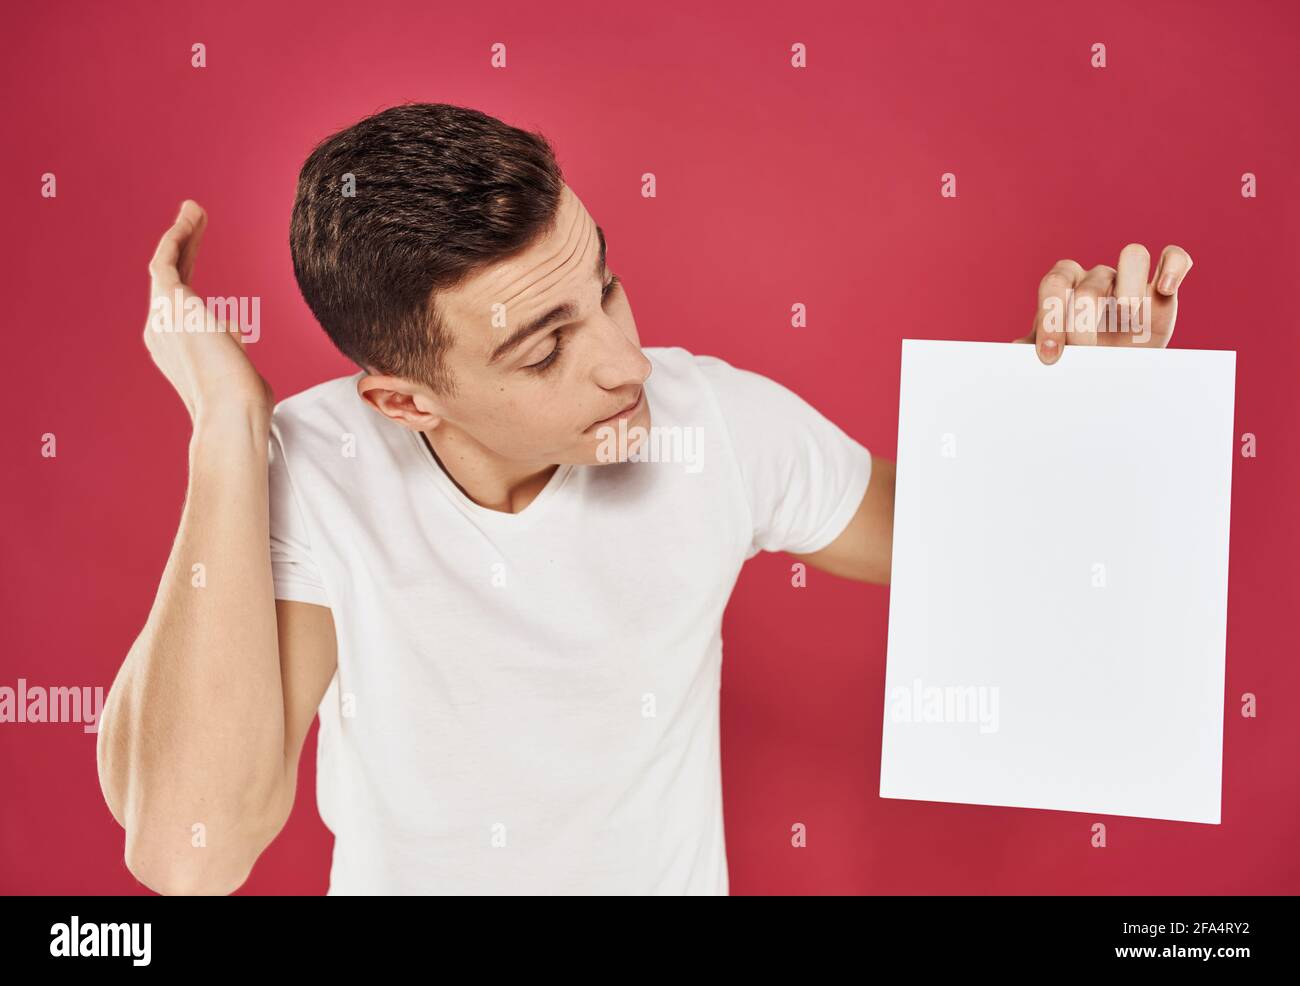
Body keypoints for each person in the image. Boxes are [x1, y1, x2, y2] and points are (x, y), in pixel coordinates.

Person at [95, 103, 1193, 895]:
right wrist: (227, 429)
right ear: (403, 399)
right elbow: (190, 851)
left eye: (605, 284)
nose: (626, 362)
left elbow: (975, 546)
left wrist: (1075, 400)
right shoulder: (323, 465)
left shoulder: (713, 423)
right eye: (546, 348)